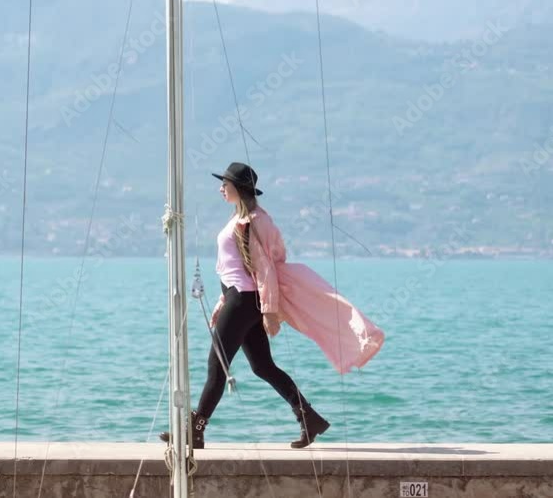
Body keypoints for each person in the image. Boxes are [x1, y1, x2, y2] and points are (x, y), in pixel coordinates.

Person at [160, 162, 386, 449]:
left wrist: (269, 312)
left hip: (245, 301)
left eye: (225, 183)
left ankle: (196, 430)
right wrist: (221, 301)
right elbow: (237, 268)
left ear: (239, 189)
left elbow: (265, 269)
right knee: (263, 366)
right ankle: (309, 418)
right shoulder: (239, 219)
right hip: (238, 298)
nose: (220, 188)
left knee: (217, 367)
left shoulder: (256, 221)